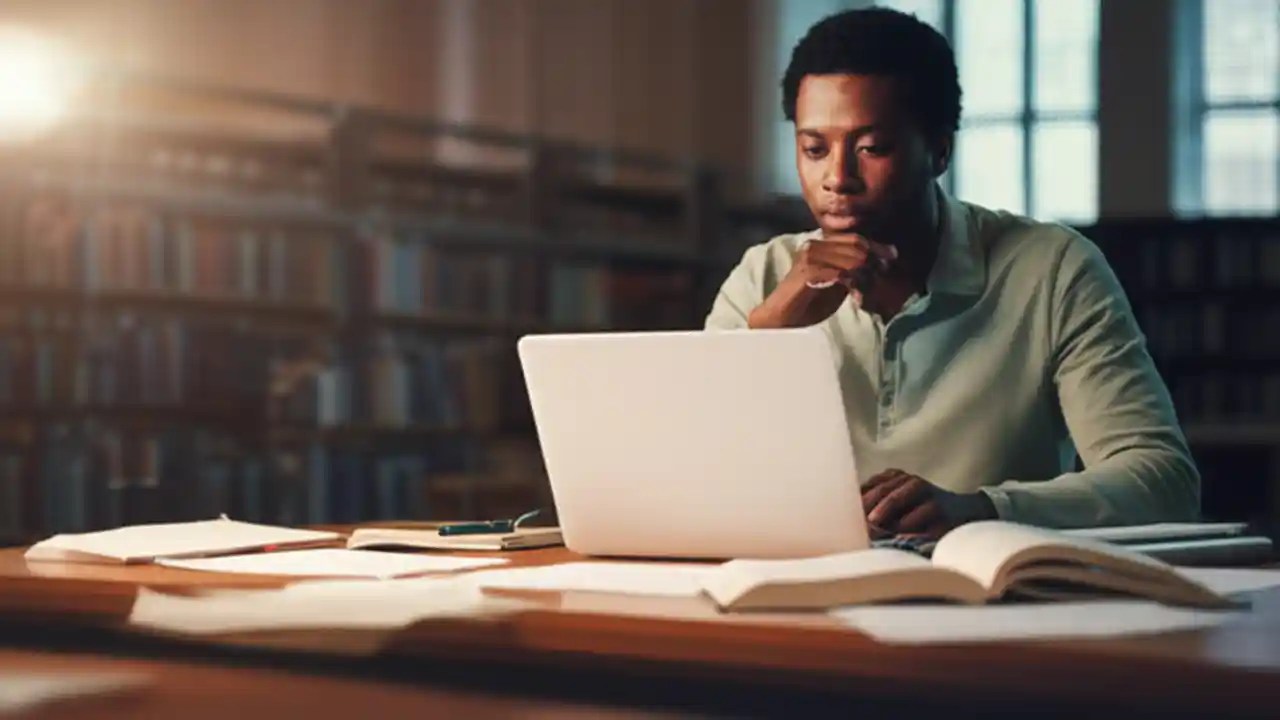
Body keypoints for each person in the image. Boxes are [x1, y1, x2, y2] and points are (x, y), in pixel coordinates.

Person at [704, 8, 1199, 540]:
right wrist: (769, 337)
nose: (837, 178)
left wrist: (986, 509)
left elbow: (1164, 481)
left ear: (939, 151)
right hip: (802, 599)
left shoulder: (1055, 269)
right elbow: (688, 475)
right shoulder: (764, 276)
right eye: (814, 149)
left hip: (999, 603)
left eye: (871, 148)